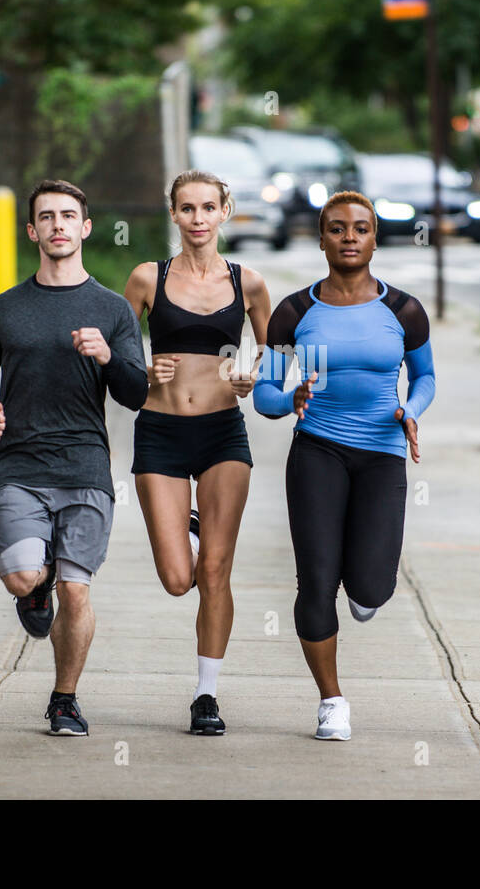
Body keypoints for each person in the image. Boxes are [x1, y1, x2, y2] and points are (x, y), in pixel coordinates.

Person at [0, 179, 148, 737]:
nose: (58, 225)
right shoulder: (5, 308)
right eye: (47, 217)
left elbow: (135, 394)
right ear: (32, 231)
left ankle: (64, 699)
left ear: (85, 228)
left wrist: (110, 356)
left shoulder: (112, 309)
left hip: (86, 466)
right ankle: (35, 589)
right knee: (22, 576)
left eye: (68, 216)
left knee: (78, 588)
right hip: (17, 465)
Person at [253, 191, 435, 741]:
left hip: (382, 454)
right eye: (337, 229)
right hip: (317, 451)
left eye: (360, 228)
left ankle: (365, 591)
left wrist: (411, 410)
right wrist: (292, 400)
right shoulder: (294, 312)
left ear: (375, 237)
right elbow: (263, 392)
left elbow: (425, 377)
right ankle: (331, 700)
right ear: (322, 237)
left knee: (371, 587)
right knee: (315, 582)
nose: (349, 237)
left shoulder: (403, 310)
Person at [123, 170, 272, 735]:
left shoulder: (248, 282)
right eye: (187, 208)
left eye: (208, 207)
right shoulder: (147, 278)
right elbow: (113, 355)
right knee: (177, 580)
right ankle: (188, 519)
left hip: (222, 435)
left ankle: (207, 694)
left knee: (215, 569)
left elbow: (279, 350)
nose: (198, 218)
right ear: (174, 215)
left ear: (225, 212)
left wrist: (252, 377)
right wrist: (141, 368)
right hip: (159, 431)